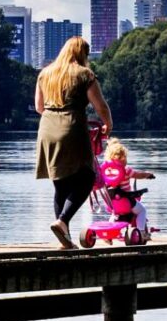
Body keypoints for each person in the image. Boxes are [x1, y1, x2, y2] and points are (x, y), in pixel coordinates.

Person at [34, 36, 113, 249]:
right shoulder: (85, 75)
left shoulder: (45, 74)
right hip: (72, 126)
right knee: (87, 177)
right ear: (82, 54)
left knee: (60, 183)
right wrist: (108, 124)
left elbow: (39, 107)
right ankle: (62, 221)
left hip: (47, 128)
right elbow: (101, 106)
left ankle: (64, 238)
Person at [100, 138, 155, 237]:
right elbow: (138, 175)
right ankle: (141, 231)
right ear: (123, 157)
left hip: (112, 204)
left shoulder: (106, 171)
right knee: (142, 210)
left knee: (114, 215)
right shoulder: (126, 170)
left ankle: (110, 233)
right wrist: (148, 174)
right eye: (124, 157)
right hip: (127, 202)